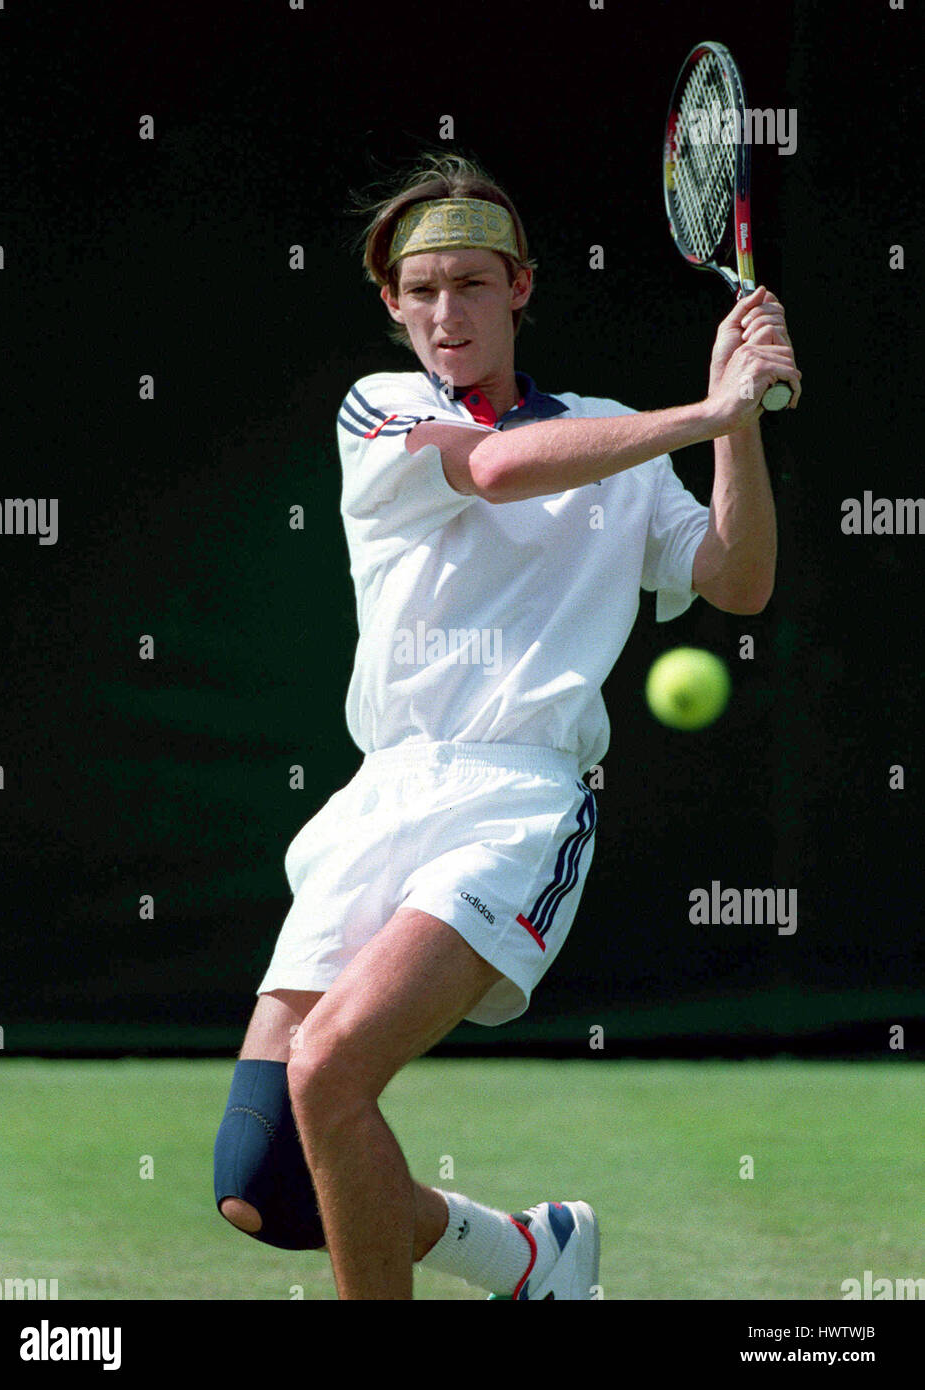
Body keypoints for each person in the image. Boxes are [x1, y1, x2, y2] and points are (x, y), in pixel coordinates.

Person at [212, 153, 801, 1301]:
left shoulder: (615, 437)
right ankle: (527, 1255)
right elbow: (490, 467)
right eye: (420, 289)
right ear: (391, 302)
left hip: (521, 798)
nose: (445, 312)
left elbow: (735, 579)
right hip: (382, 793)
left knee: (330, 1069)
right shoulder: (382, 411)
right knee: (262, 1179)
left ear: (522, 286)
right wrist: (706, 410)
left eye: (471, 285)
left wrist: (738, 419)